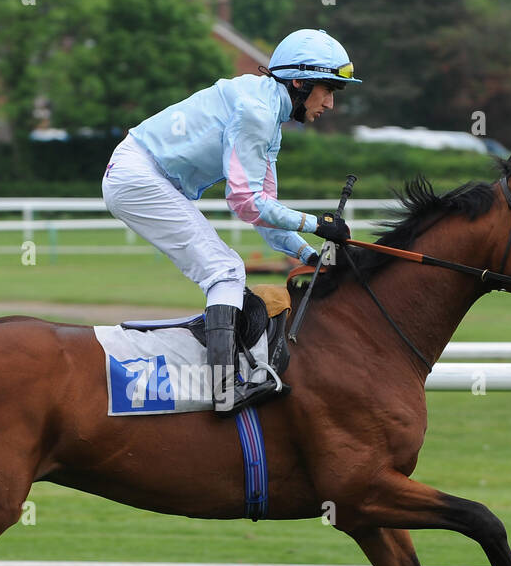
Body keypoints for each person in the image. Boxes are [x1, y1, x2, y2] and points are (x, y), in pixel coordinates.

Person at [101, 28, 360, 415]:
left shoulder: (268, 116)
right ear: (301, 82)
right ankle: (225, 391)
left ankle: (226, 379)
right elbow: (244, 200)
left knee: (226, 270)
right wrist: (317, 223)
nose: (330, 104)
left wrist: (310, 252)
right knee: (225, 270)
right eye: (329, 90)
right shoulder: (256, 112)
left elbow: (261, 214)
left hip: (141, 175)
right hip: (137, 177)